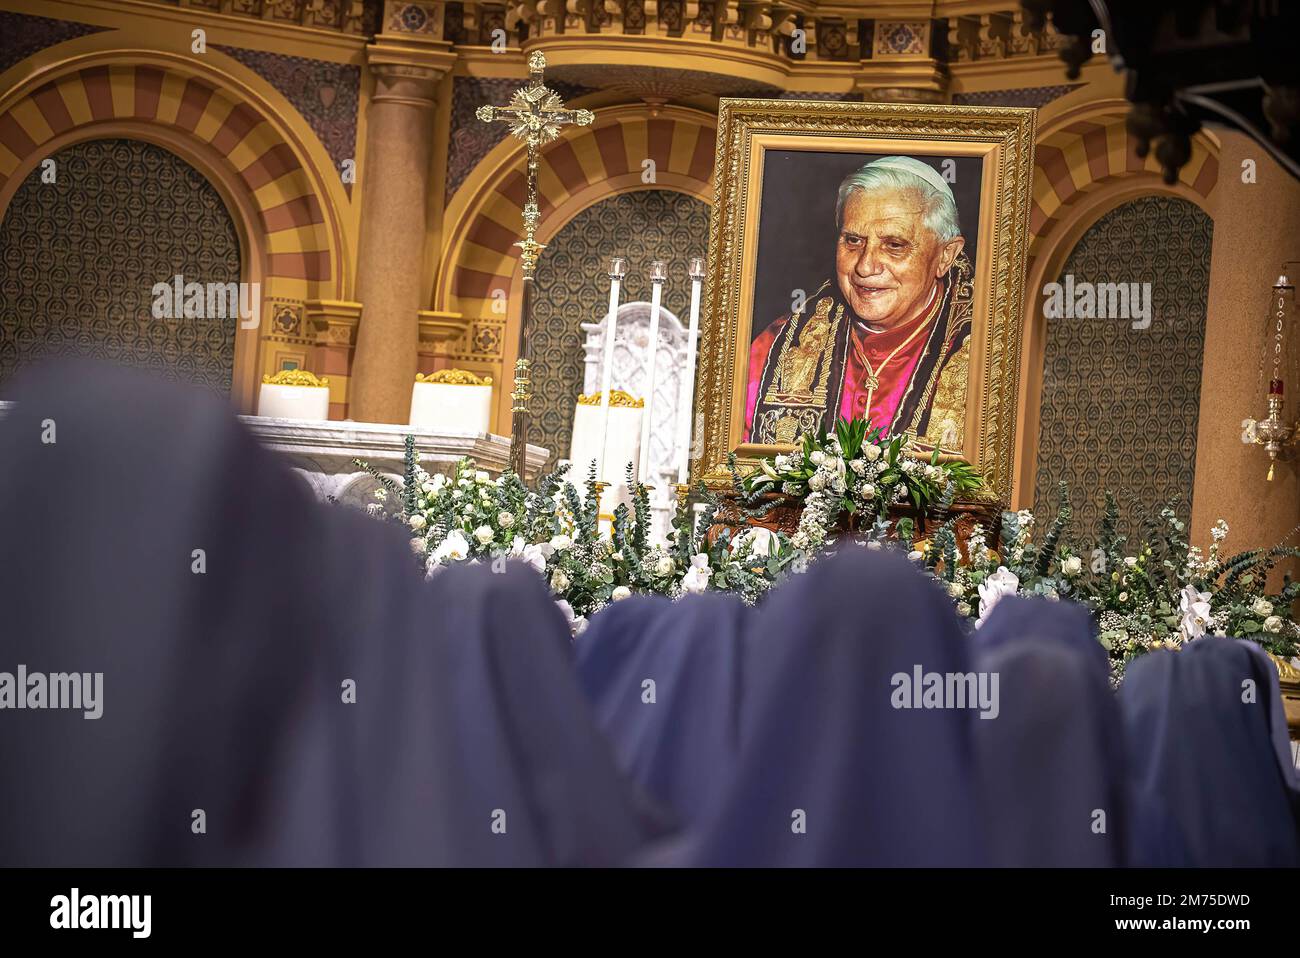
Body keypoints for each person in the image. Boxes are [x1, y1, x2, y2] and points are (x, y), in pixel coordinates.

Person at [744, 155, 973, 450]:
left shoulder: (984, 360)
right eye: (853, 241)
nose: (865, 266)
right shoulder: (776, 347)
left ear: (945, 256)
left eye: (894, 245)